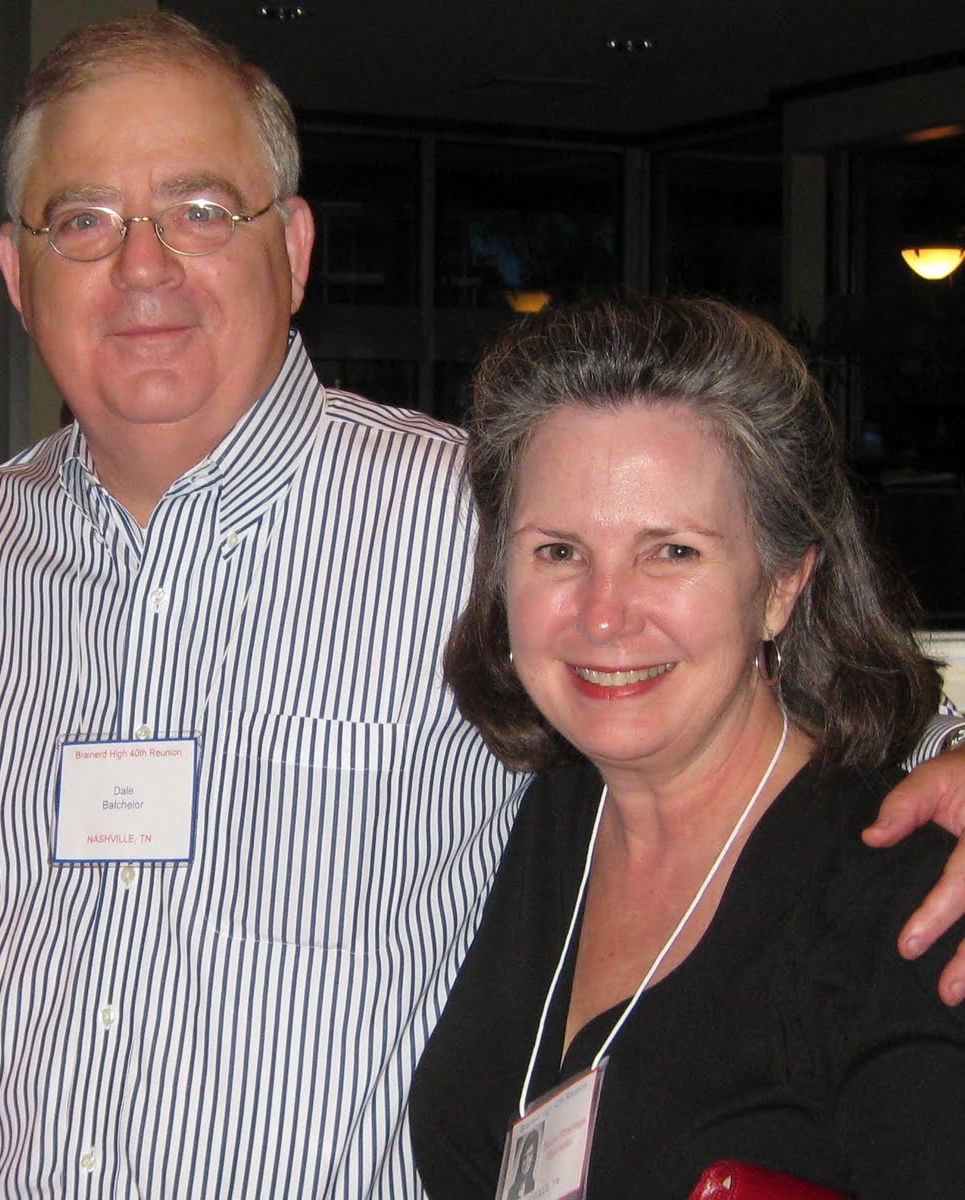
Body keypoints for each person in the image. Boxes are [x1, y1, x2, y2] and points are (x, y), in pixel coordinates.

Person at [0, 14, 965, 1196]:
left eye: (197, 211)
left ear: (291, 249)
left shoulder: (487, 519)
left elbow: (796, 724)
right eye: (84, 220)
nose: (142, 267)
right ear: (20, 276)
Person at [408, 297, 965, 1198]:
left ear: (783, 583)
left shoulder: (905, 912)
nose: (602, 612)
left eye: (669, 551)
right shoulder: (545, 817)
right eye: (558, 551)